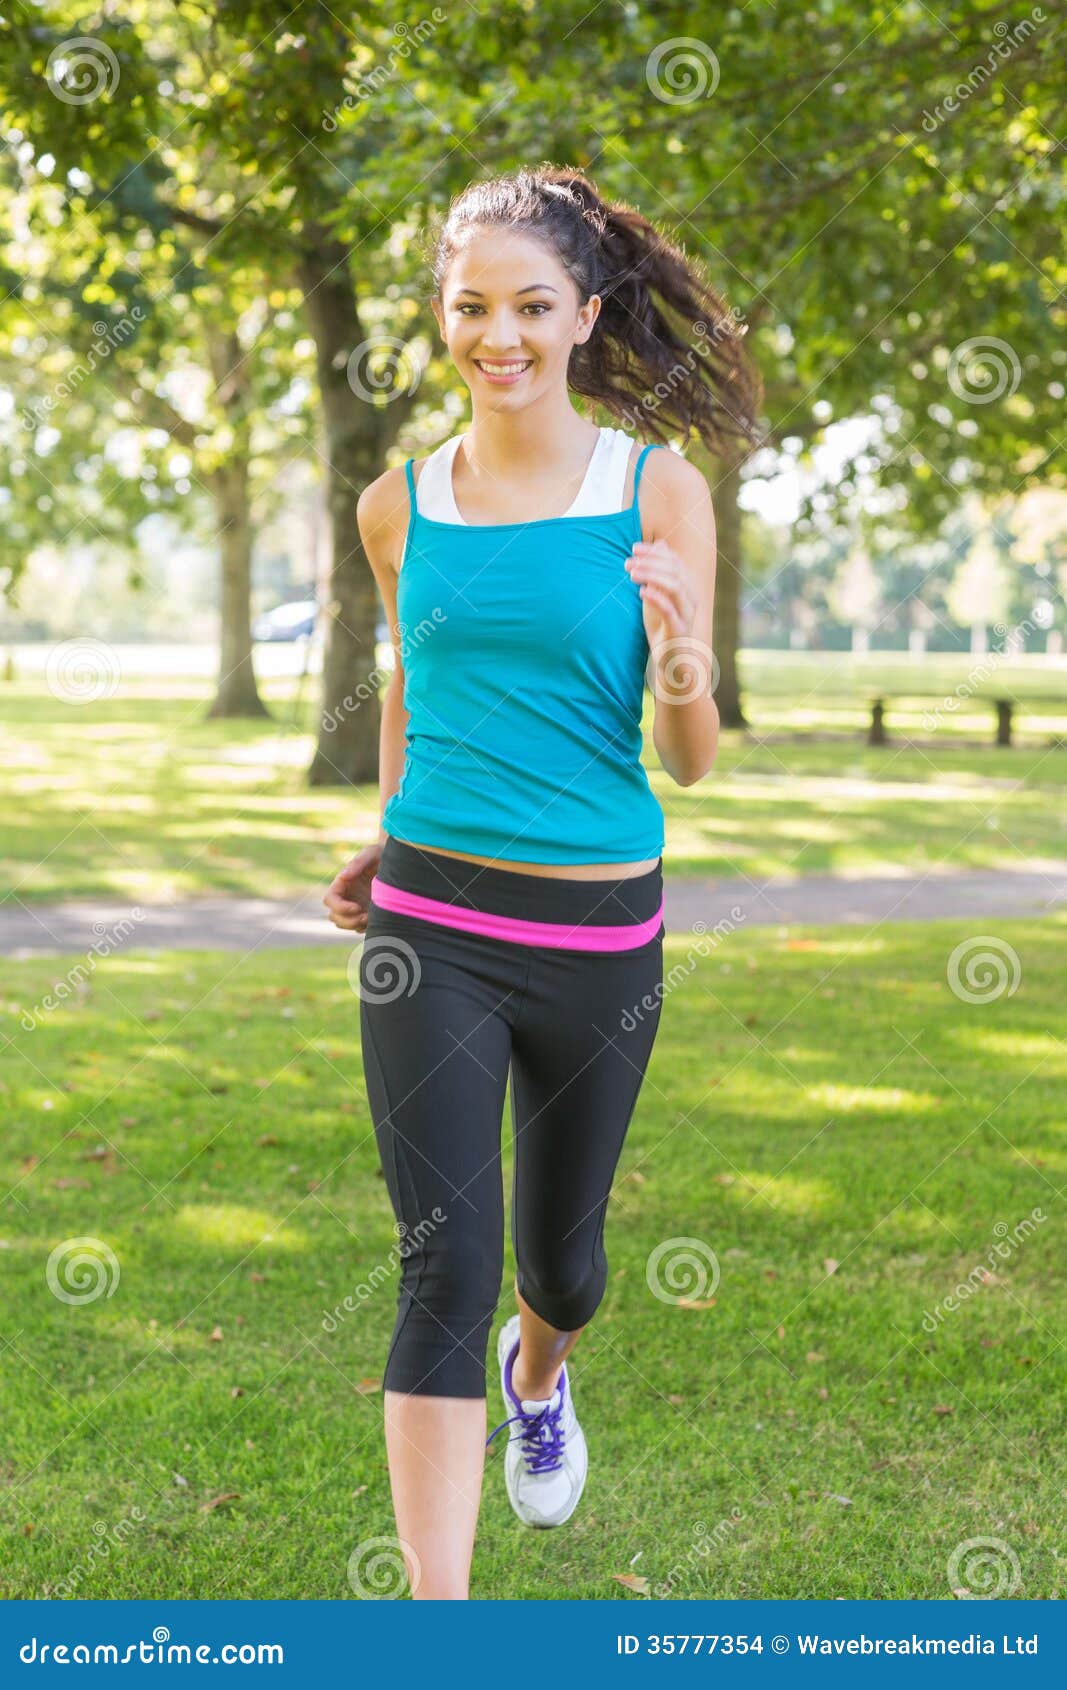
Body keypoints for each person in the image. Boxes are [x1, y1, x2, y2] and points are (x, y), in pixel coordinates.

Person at [323, 164, 762, 1600]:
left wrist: (683, 635)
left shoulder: (655, 485)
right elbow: (415, 685)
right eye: (470, 306)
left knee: (558, 1270)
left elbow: (688, 755)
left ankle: (544, 1374)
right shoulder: (397, 503)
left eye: (529, 306)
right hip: (429, 923)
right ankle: (440, 1629)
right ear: (442, 316)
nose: (496, 334)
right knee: (441, 1269)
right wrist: (394, 829)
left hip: (597, 934)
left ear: (583, 314)